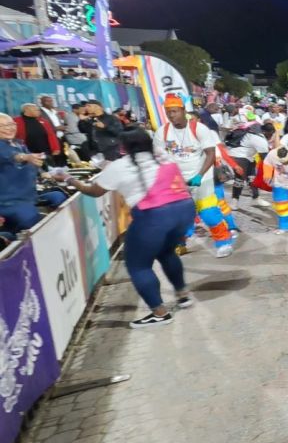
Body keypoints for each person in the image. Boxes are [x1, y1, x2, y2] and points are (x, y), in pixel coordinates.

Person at [55, 129, 196, 327]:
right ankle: (183, 296)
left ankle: (159, 313)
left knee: (138, 265)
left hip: (154, 216)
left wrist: (69, 179)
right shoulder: (164, 157)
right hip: (185, 210)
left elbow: (94, 191)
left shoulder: (121, 166)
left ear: (125, 147)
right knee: (166, 252)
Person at [153, 94, 234, 257]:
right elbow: (159, 157)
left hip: (202, 178)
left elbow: (211, 154)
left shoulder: (199, 129)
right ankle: (179, 244)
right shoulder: (162, 132)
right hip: (177, 181)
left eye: (174, 111)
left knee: (209, 213)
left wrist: (199, 175)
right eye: (168, 112)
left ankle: (224, 242)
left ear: (183, 110)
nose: (171, 115)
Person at [0, 112, 54, 235]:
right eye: (2, 126)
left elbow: (30, 161)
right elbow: (12, 157)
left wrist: (42, 172)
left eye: (10, 124)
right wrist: (25, 157)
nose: (9, 128)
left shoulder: (19, 143)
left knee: (58, 196)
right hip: (9, 203)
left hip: (30, 197)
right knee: (33, 224)